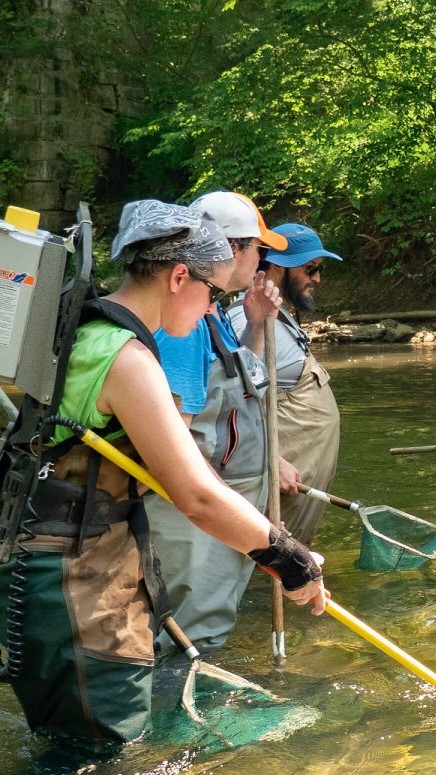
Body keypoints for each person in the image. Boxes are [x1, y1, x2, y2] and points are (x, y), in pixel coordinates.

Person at [0, 200, 326, 752]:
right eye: (211, 290)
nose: (213, 303)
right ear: (179, 276)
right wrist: (289, 558)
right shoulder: (129, 360)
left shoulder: (87, 328)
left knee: (75, 748)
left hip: (33, 571)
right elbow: (196, 495)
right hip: (70, 590)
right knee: (99, 764)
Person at [145, 190, 296, 654]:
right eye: (259, 249)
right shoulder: (183, 328)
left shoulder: (212, 313)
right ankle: (177, 724)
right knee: (189, 637)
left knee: (204, 629)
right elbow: (176, 443)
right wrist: (251, 526)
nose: (265, 262)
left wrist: (254, 322)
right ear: (231, 250)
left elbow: (233, 387)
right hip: (196, 520)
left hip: (221, 513)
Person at [228, 223, 343, 546]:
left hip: (296, 492)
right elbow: (232, 403)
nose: (317, 278)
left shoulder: (277, 314)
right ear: (278, 265)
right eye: (311, 269)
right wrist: (270, 461)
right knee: (264, 575)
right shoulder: (246, 320)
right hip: (276, 492)